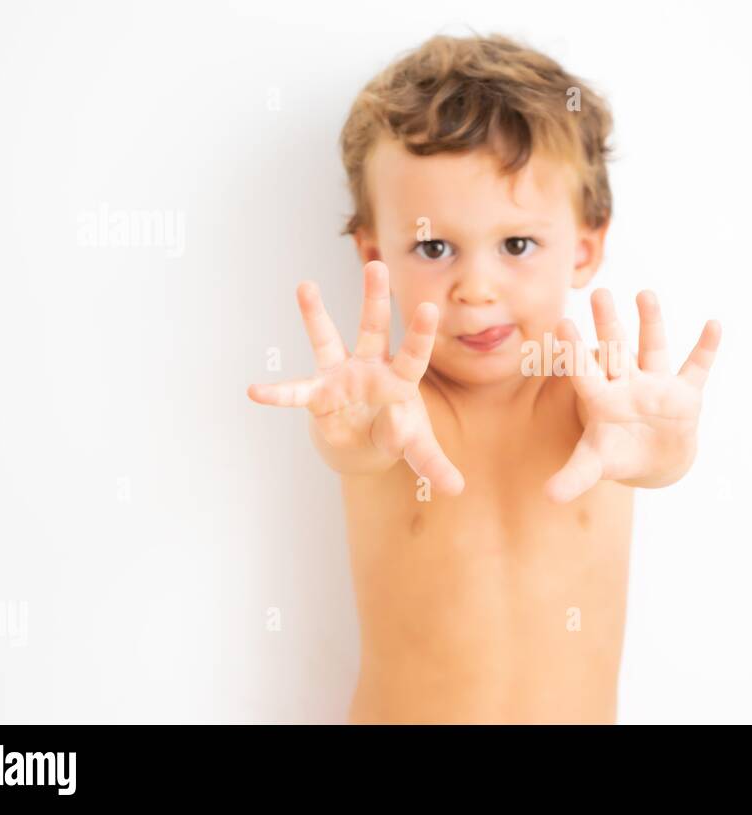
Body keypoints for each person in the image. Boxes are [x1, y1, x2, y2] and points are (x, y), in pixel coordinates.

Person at [248, 33, 720, 723]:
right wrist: (352, 427)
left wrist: (668, 450)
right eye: (434, 247)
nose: (477, 286)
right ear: (376, 252)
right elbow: (356, 444)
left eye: (517, 244)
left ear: (585, 248)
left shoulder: (597, 403)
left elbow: (647, 458)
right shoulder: (392, 407)